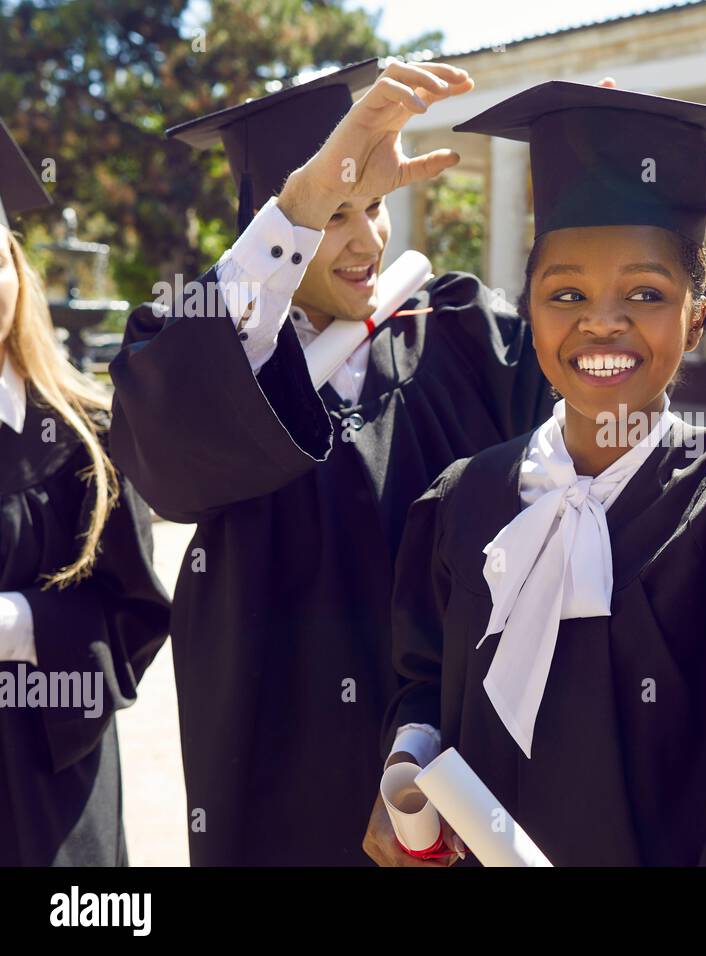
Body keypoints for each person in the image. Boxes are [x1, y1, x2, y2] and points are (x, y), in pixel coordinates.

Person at [365, 81, 706, 867]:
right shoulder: (466, 499)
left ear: (699, 312)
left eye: (646, 293)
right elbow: (424, 679)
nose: (602, 320)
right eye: (567, 293)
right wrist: (405, 762)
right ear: (531, 308)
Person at [108, 59, 551, 866]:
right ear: (271, 225)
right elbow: (163, 466)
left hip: (440, 758)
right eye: (333, 215)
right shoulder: (209, 354)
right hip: (277, 765)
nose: (367, 239)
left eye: (376, 206)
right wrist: (301, 206)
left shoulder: (458, 333)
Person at [0, 120, 170, 865]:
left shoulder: (86, 436)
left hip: (50, 778)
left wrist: (16, 625)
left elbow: (133, 611)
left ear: (16, 270)